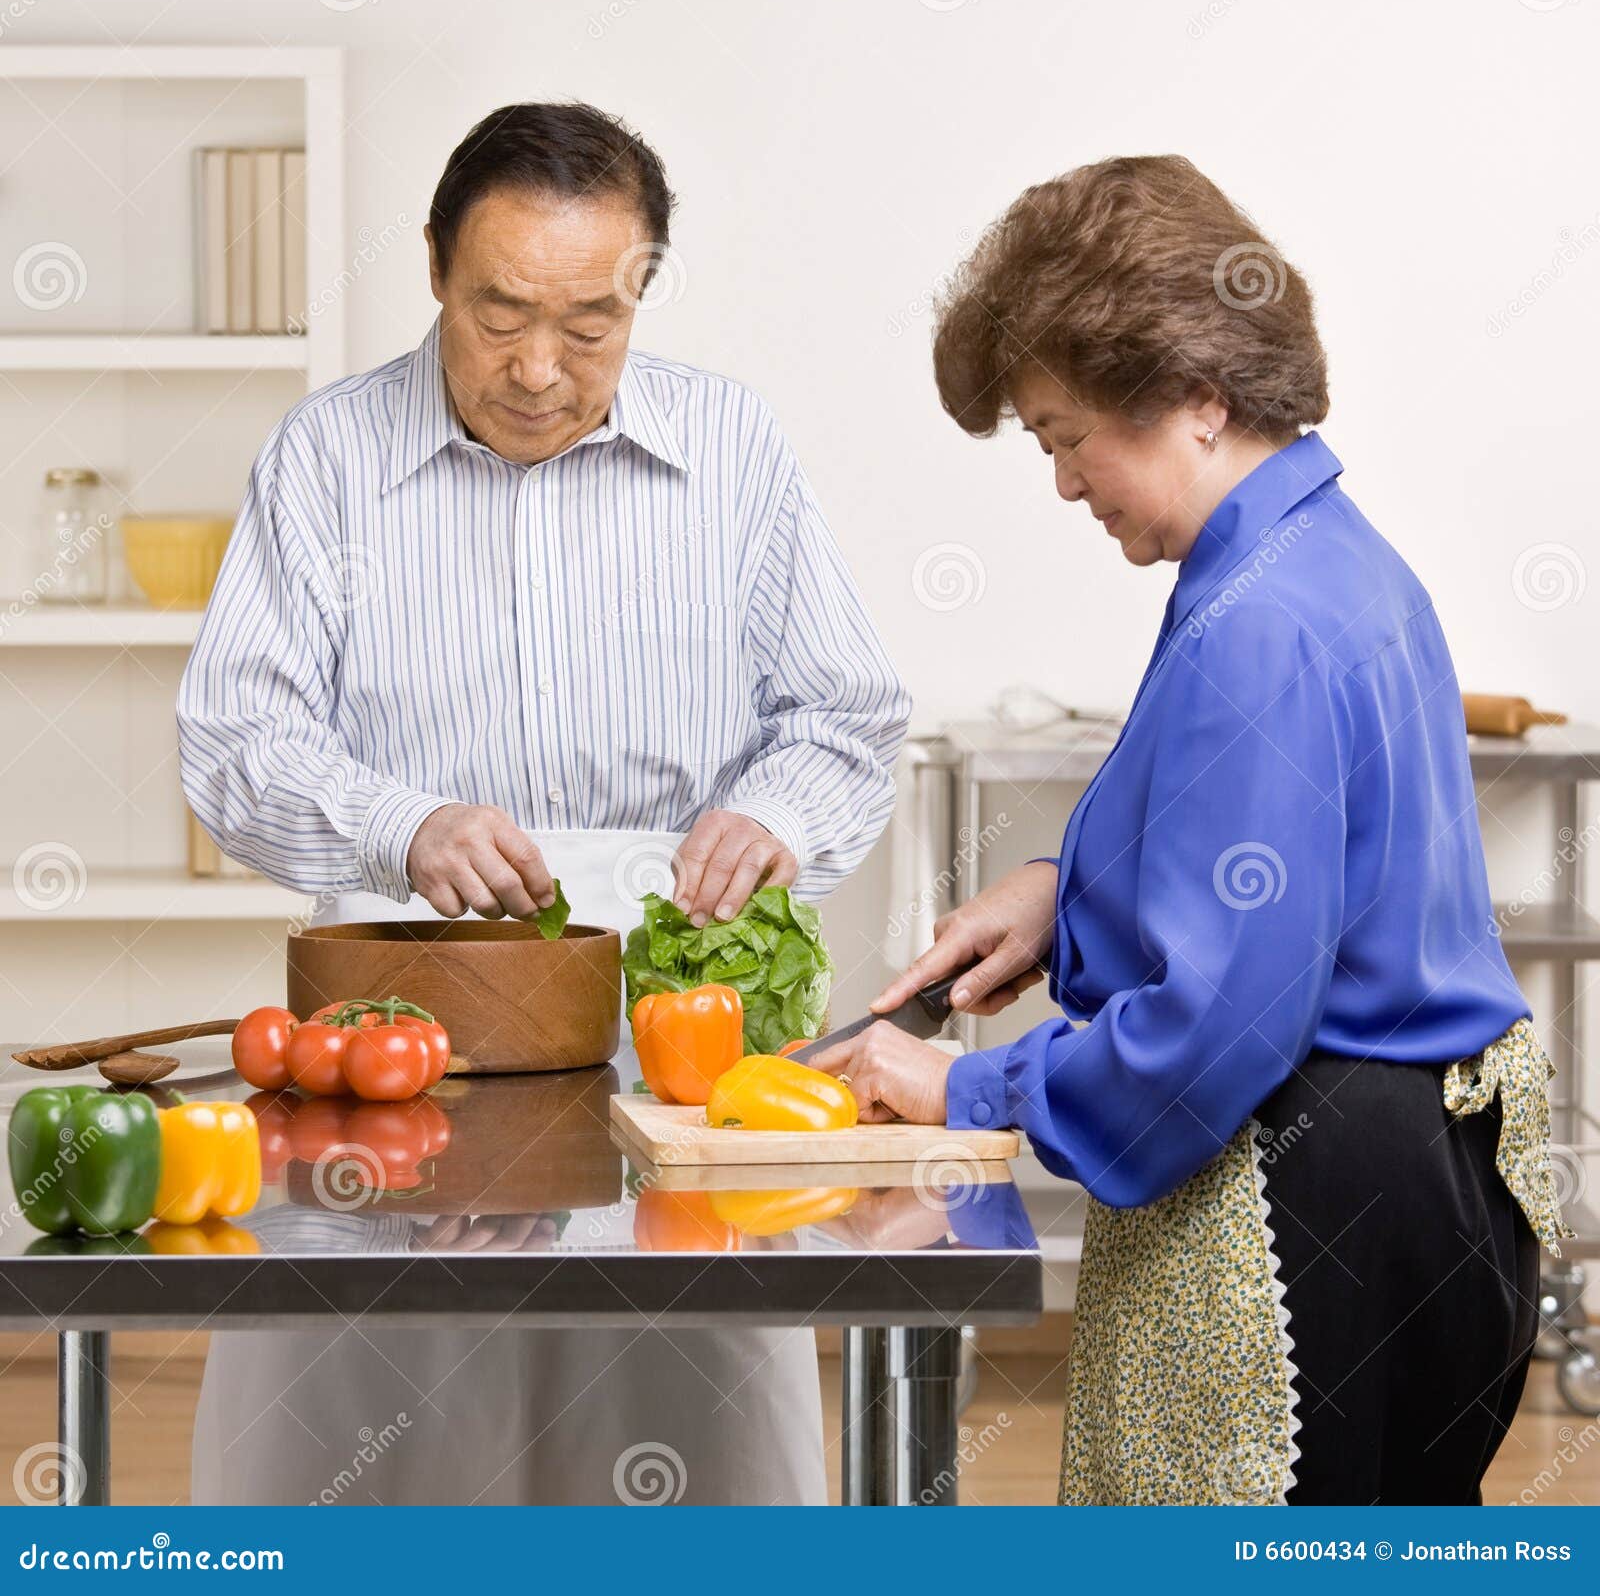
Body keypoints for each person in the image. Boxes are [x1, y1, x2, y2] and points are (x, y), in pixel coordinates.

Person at [178, 101, 909, 1504]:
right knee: (374, 1437)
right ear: (437, 272)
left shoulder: (734, 447)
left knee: (683, 1434)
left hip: (670, 1020)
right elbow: (234, 739)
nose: (534, 365)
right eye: (498, 309)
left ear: (644, 287)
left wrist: (778, 816)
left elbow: (844, 716)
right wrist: (404, 824)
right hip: (401, 1017)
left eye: (588, 322)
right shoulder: (325, 457)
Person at [813, 155, 1570, 1505]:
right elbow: (1303, 875)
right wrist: (1067, 889)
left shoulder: (1254, 624)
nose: (1059, 483)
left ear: (1198, 397)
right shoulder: (1325, 557)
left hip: (1318, 1216)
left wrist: (963, 1089)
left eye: (1061, 435)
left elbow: (1215, 1030)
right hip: (1426, 1189)